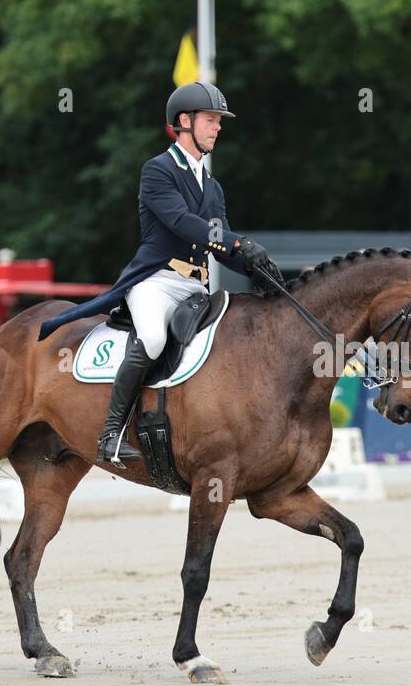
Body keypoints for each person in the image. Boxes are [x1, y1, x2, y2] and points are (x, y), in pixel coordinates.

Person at [35, 80, 282, 467]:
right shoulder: (158, 171)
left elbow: (217, 244)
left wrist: (253, 265)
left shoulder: (212, 187)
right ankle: (111, 434)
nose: (218, 127)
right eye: (211, 119)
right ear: (184, 121)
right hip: (156, 281)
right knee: (151, 338)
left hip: (196, 287)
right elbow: (182, 223)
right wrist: (238, 243)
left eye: (219, 121)